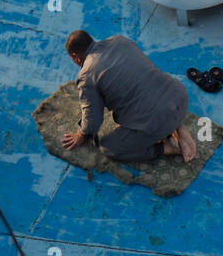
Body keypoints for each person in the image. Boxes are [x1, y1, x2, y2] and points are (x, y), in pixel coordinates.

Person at [62, 30, 196, 163]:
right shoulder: (119, 40)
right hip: (179, 98)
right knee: (153, 96)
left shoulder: (86, 76)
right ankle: (178, 127)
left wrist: (81, 134)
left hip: (156, 119)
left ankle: (169, 148)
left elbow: (93, 121)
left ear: (75, 57)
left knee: (109, 147)